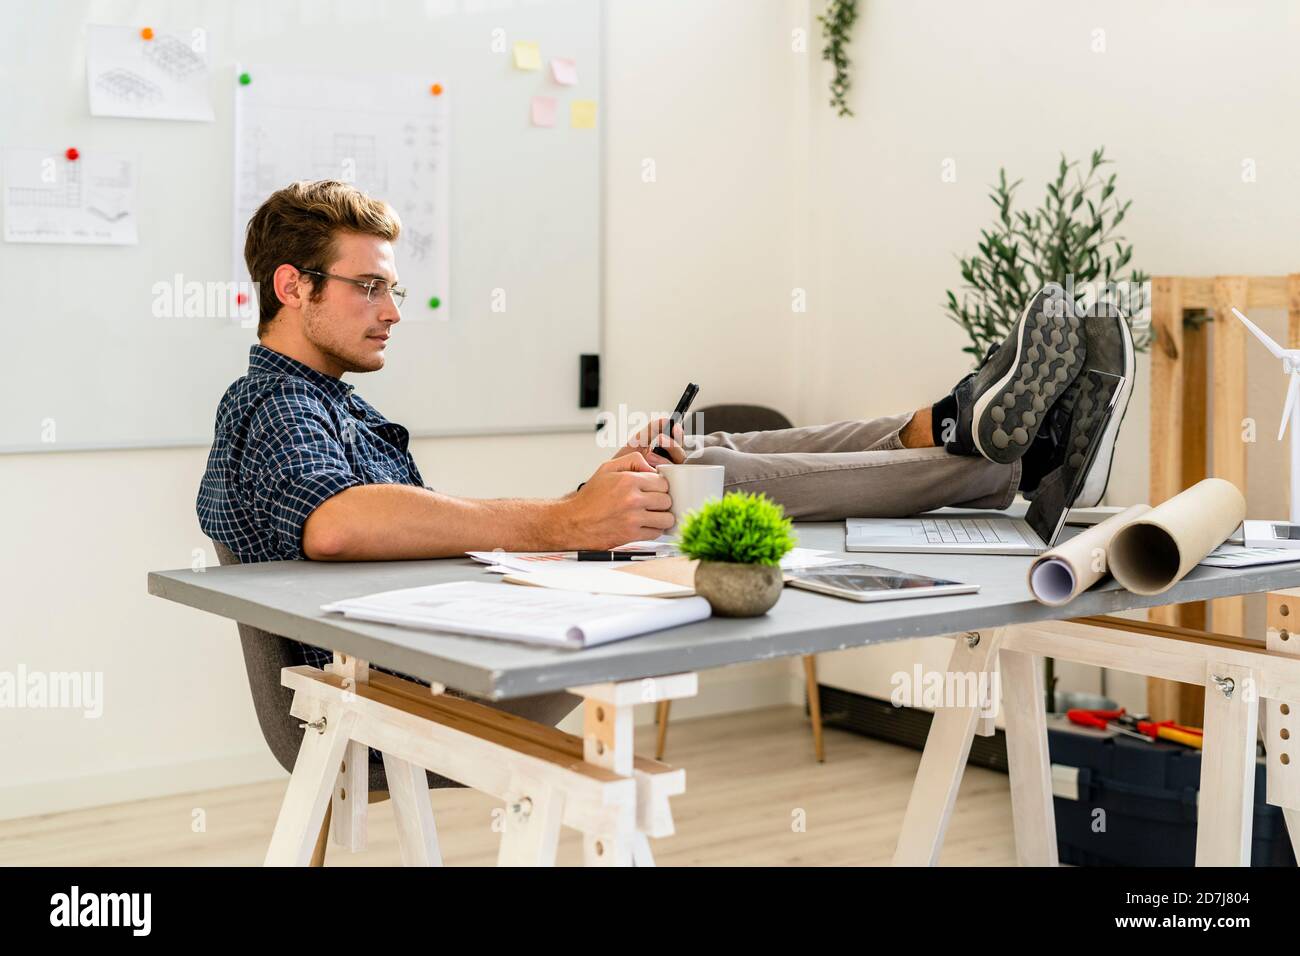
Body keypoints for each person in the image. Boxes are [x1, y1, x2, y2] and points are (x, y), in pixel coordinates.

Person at [198, 179, 1128, 730]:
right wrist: (565, 519)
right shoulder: (273, 404)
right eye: (370, 288)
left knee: (696, 452)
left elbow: (387, 527)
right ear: (293, 286)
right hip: (418, 678)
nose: (394, 310)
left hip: (453, 627)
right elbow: (337, 526)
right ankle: (1006, 455)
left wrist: (570, 511)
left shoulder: (321, 403)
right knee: (690, 486)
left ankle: (961, 426)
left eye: (393, 288)